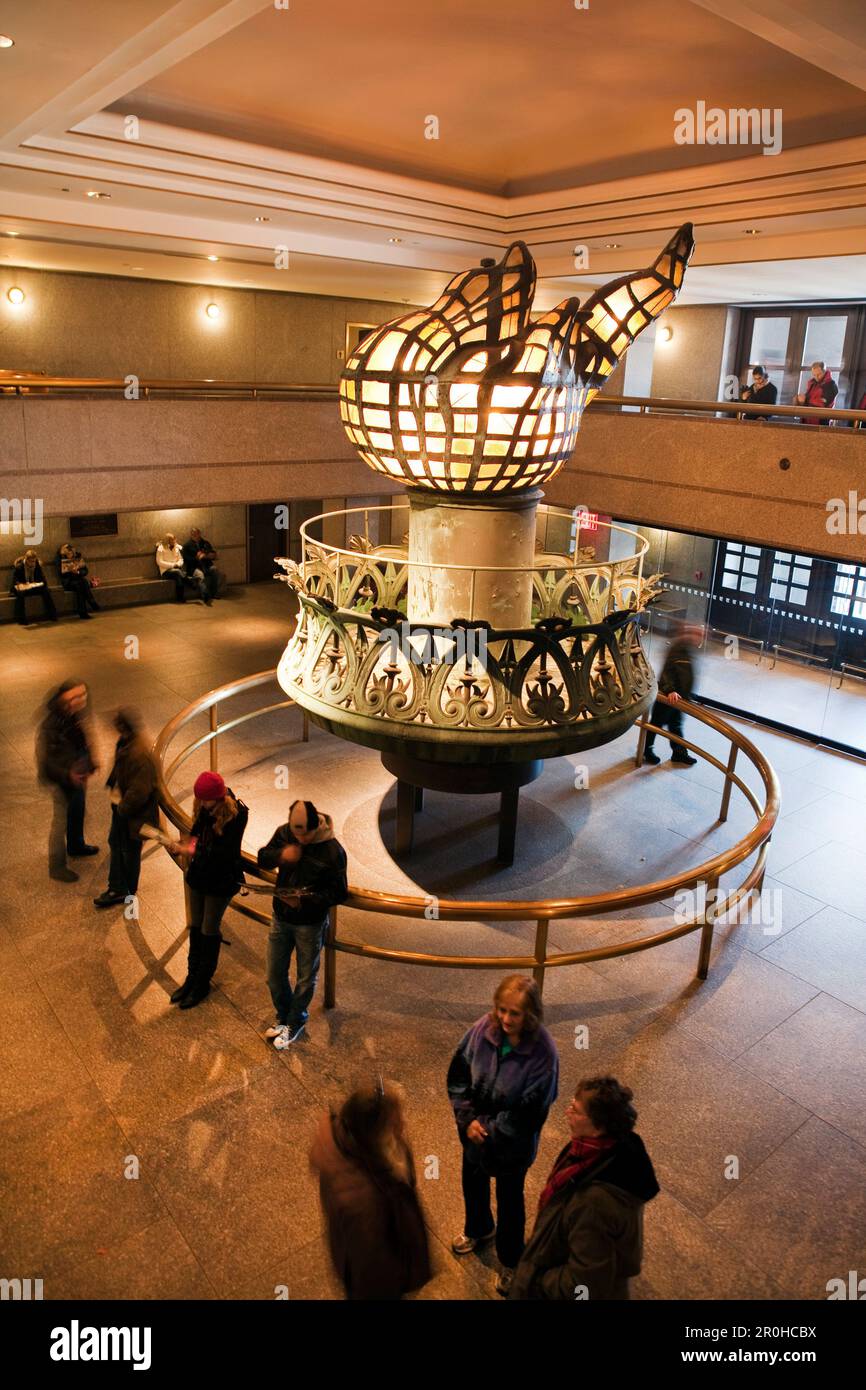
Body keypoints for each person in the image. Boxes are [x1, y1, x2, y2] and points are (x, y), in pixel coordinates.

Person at [447, 975, 559, 1297]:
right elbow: (458, 1073)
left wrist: (489, 1131)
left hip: (511, 1149)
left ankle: (511, 1260)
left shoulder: (544, 1055)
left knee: (511, 1200)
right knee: (473, 1183)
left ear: (531, 1015)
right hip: (473, 1136)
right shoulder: (482, 1030)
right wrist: (467, 1120)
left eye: (515, 1013)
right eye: (501, 1010)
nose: (506, 1019)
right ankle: (479, 1229)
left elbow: (532, 1112)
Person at [509, 1076, 659, 1301]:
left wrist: (537, 1281)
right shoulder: (605, 1149)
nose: (567, 1112)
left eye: (576, 1111)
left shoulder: (593, 1204)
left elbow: (583, 1285)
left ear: (598, 1127)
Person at [308, 1079, 432, 1301]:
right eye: (395, 1121)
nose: (403, 1124)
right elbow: (372, 1269)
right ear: (374, 1132)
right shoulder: (363, 1202)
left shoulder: (358, 1144)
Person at [257, 799, 349, 1049]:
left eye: (305, 834)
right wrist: (281, 855)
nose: (301, 839)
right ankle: (284, 1016)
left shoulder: (332, 850)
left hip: (310, 923)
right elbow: (263, 858)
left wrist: (305, 903)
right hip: (281, 916)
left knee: (306, 977)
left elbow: (339, 892)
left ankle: (295, 1022)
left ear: (315, 826)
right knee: (274, 974)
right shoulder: (285, 833)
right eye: (296, 833)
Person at [167, 771, 248, 1009]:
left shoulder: (236, 815)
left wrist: (194, 849)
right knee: (195, 925)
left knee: (208, 928)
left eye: (206, 800)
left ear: (219, 797)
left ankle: (202, 982)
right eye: (200, 799)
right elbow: (195, 837)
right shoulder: (203, 806)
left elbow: (225, 853)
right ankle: (191, 977)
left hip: (219, 881)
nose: (202, 804)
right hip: (199, 875)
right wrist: (184, 848)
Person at [93, 709, 160, 909]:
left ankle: (124, 890)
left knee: (129, 850)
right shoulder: (126, 742)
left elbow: (139, 792)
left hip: (131, 813)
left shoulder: (139, 754)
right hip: (123, 808)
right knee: (116, 843)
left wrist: (122, 809)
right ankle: (119, 886)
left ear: (123, 727)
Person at [37, 680, 99, 881]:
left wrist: (90, 761)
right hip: (62, 779)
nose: (80, 700)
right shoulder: (50, 725)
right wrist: (68, 775)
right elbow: (46, 763)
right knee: (60, 822)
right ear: (63, 699)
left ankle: (76, 845)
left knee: (77, 812)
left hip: (77, 774)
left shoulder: (73, 713)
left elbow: (81, 739)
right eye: (74, 697)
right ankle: (56, 867)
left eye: (82, 695)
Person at [643, 623, 702, 767]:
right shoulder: (678, 648)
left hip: (680, 698)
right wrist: (670, 690)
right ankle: (646, 750)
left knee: (675, 725)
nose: (701, 638)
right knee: (657, 723)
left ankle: (679, 753)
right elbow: (667, 672)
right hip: (670, 697)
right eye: (699, 634)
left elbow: (685, 674)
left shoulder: (688, 649)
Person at [10, 550, 58, 625]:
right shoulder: (19, 567)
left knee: (46, 591)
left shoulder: (37, 565)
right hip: (24, 588)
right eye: (31, 561)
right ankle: (21, 619)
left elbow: (43, 579)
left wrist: (38, 583)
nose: (33, 563)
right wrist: (22, 585)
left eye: (34, 561)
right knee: (20, 595)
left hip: (33, 587)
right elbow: (15, 581)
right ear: (26, 560)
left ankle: (52, 614)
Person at [56, 542, 100, 618]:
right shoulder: (61, 560)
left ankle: (83, 612)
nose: (70, 555)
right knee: (82, 583)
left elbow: (85, 571)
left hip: (78, 580)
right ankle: (92, 602)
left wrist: (78, 572)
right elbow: (61, 573)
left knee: (82, 583)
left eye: (71, 553)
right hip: (69, 582)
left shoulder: (78, 558)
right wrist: (61, 555)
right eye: (67, 554)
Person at [155, 532, 200, 603]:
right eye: (172, 540)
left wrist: (178, 564)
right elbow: (159, 562)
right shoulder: (161, 548)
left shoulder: (176, 547)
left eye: (174, 539)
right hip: (166, 571)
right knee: (178, 572)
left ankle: (180, 598)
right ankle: (191, 583)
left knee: (178, 577)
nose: (175, 541)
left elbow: (181, 559)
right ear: (168, 541)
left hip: (176, 570)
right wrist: (173, 565)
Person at [181, 528, 220, 605]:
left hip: (207, 565)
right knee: (200, 575)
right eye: (193, 534)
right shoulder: (187, 545)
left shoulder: (205, 543)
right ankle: (205, 596)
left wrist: (207, 556)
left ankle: (214, 593)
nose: (194, 535)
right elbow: (186, 559)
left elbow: (213, 553)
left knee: (214, 570)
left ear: (199, 534)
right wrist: (197, 558)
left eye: (196, 533)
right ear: (191, 535)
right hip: (194, 567)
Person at [795, 360, 838, 425]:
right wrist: (799, 400)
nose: (816, 377)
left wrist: (803, 402)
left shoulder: (831, 386)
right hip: (807, 420)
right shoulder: (813, 383)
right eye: (814, 375)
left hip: (820, 423)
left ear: (824, 371)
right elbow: (810, 400)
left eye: (819, 374)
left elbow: (821, 405)